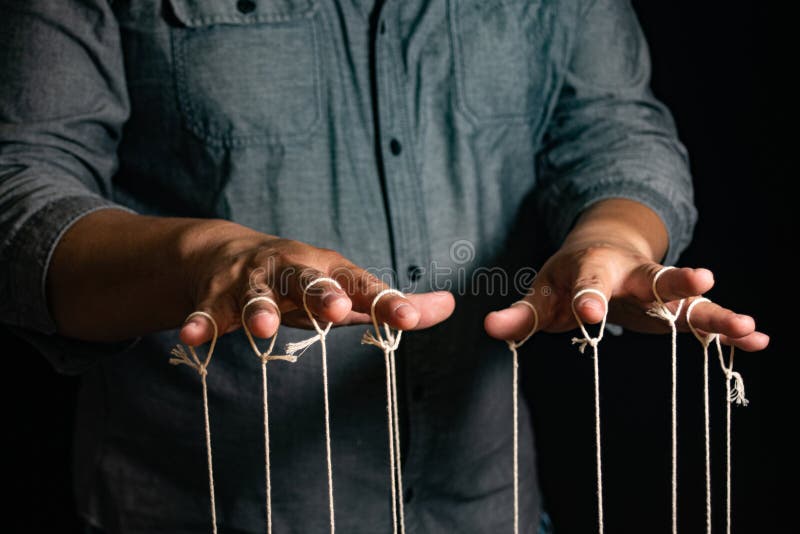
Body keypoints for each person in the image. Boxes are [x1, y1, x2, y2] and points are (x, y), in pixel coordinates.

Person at [0, 0, 768, 532]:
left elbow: (612, 122)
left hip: (487, 505)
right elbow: (22, 191)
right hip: (204, 511)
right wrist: (210, 258)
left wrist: (617, 235)